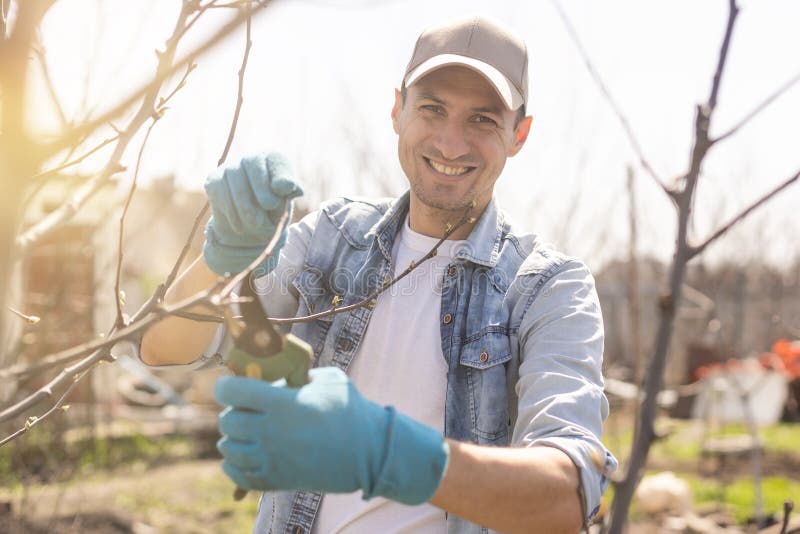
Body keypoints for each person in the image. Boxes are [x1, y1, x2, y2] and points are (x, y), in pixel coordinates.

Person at [141, 15, 616, 534]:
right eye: (433, 109)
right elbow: (165, 347)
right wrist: (221, 259)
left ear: (520, 134)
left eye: (482, 120)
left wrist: (381, 451)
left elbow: (566, 497)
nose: (451, 144)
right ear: (398, 110)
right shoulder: (329, 240)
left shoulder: (547, 289)